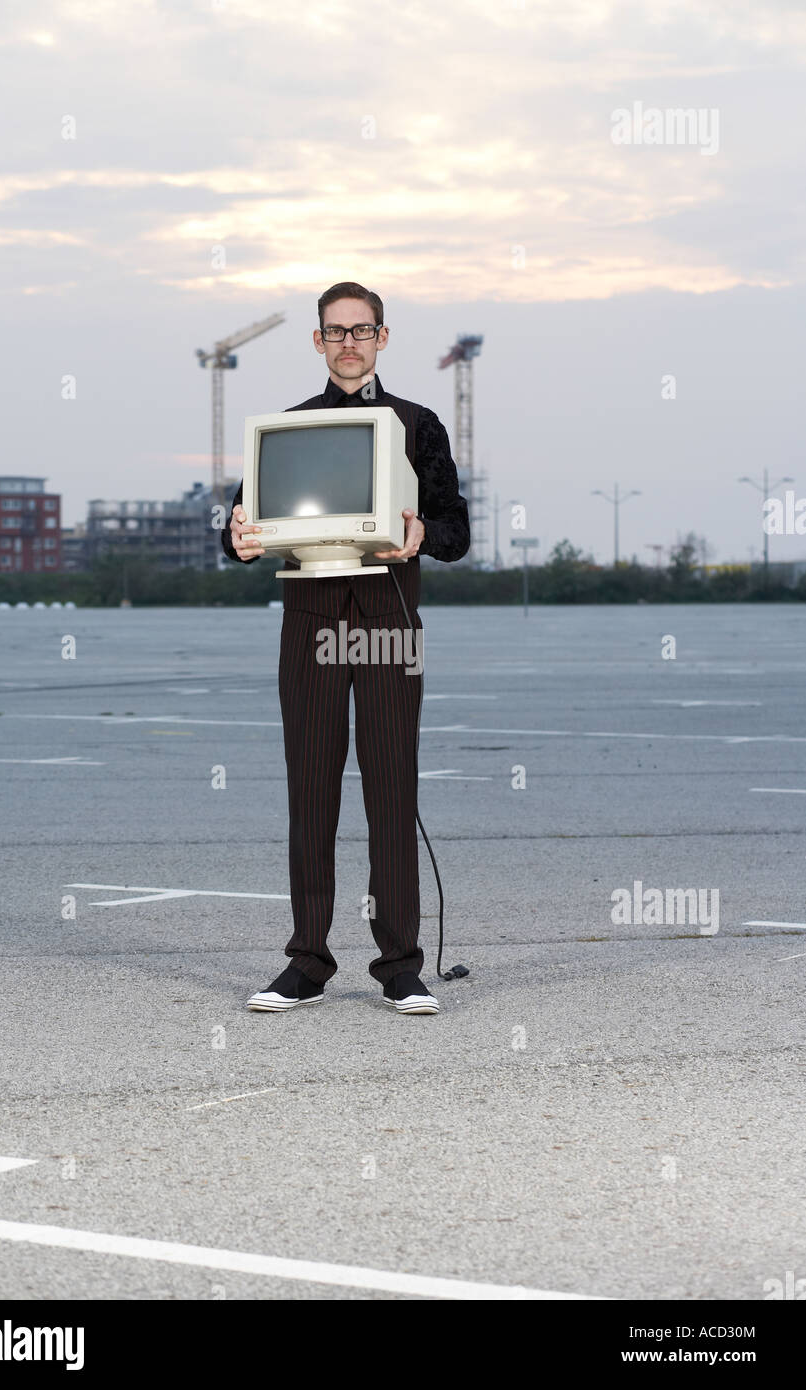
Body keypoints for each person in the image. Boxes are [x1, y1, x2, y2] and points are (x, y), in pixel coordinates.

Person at [222, 281, 469, 1015]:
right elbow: (240, 524)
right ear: (318, 342)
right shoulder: (287, 429)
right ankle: (306, 962)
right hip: (310, 614)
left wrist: (424, 532)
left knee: (392, 788)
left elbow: (455, 530)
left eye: (362, 330)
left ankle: (398, 965)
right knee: (311, 789)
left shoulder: (418, 425)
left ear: (383, 338)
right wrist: (235, 543)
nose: (349, 343)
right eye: (335, 332)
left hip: (389, 617)